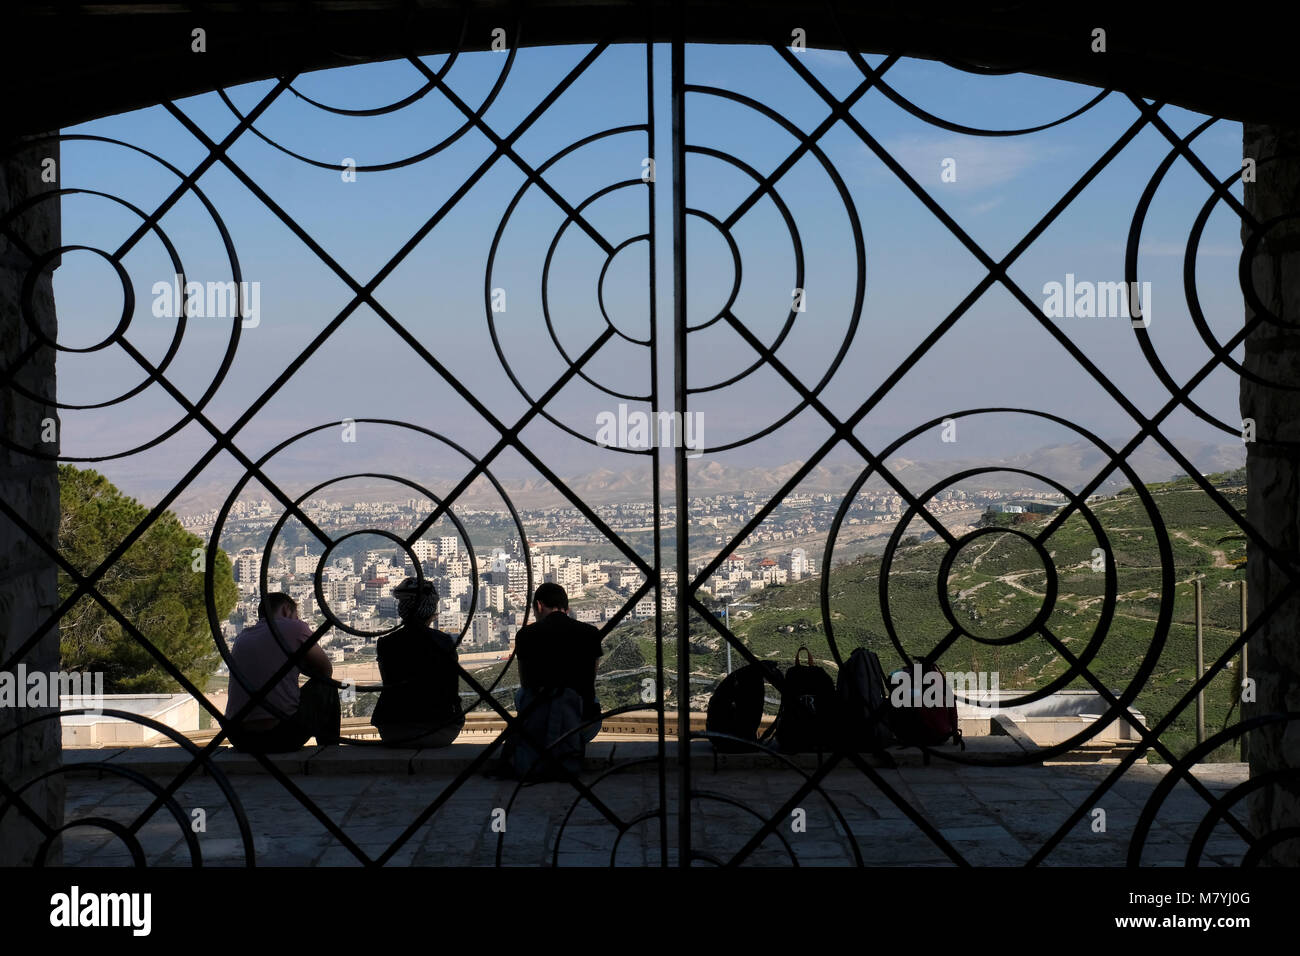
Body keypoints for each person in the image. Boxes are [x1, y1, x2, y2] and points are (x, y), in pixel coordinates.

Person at [225, 592, 340, 753]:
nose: (298, 619)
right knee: (327, 686)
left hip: (240, 737)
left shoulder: (242, 637)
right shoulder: (295, 627)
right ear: (287, 610)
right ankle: (329, 749)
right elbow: (326, 670)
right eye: (296, 615)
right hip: (281, 735)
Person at [371, 577, 464, 748]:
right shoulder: (444, 641)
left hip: (393, 731)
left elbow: (390, 684)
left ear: (401, 609)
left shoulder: (386, 643)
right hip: (441, 730)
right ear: (432, 611)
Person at [513, 582, 605, 745]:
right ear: (567, 609)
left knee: (521, 694)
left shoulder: (525, 635)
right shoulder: (591, 633)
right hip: (582, 725)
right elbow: (591, 678)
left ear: (539, 606)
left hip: (539, 725)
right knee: (592, 699)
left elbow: (525, 682)